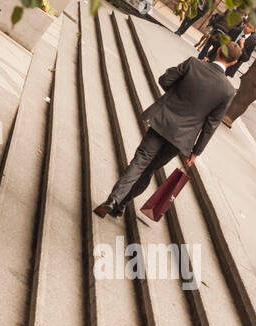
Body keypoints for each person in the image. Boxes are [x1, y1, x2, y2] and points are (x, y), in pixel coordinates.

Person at [93, 41, 240, 218]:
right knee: (150, 170)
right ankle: (122, 204)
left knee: (140, 162)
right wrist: (196, 151)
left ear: (218, 50)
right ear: (233, 63)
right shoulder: (228, 91)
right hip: (182, 137)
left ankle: (113, 199)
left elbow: (165, 80)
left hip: (162, 121)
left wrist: (176, 94)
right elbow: (212, 124)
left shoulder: (193, 63)